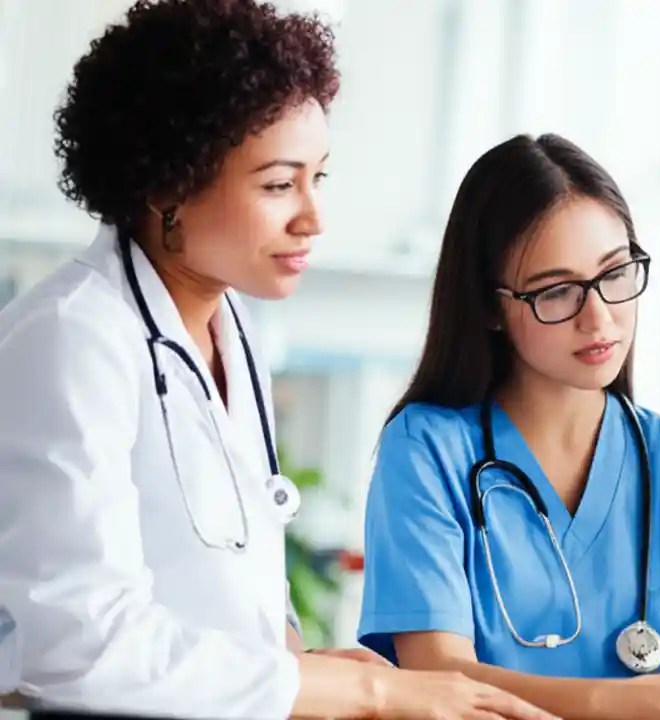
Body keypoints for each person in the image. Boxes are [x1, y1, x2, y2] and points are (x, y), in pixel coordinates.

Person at [0, 2, 553, 718]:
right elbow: (84, 646)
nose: (312, 217)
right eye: (277, 184)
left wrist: (300, 660)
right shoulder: (72, 338)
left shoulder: (233, 326)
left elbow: (221, 577)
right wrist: (367, 688)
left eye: (317, 178)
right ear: (168, 185)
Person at [357, 133, 660, 719]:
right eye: (557, 291)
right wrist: (611, 703)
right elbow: (437, 678)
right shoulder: (426, 449)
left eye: (615, 273)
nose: (599, 318)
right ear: (488, 306)